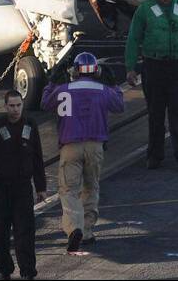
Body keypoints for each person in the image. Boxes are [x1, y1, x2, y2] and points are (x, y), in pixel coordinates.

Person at [41, 52, 125, 253]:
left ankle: (74, 228)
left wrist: (52, 82)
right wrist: (113, 84)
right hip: (95, 146)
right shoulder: (103, 90)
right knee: (91, 187)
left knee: (69, 190)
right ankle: (87, 231)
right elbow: (119, 105)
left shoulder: (63, 90)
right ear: (96, 71)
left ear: (75, 71)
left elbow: (45, 103)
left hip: (70, 146)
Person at [126, 0, 178, 172]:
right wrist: (130, 67)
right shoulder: (144, 9)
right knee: (155, 114)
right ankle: (154, 155)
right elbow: (134, 38)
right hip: (154, 65)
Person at [0, 89, 46, 279]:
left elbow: (37, 158)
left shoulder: (30, 125)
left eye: (18, 105)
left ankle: (27, 271)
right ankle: (4, 269)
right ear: (5, 106)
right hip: (0, 189)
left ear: (22, 105)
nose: (15, 110)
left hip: (23, 187)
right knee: (1, 232)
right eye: (12, 106)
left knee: (25, 231)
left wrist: (40, 187)